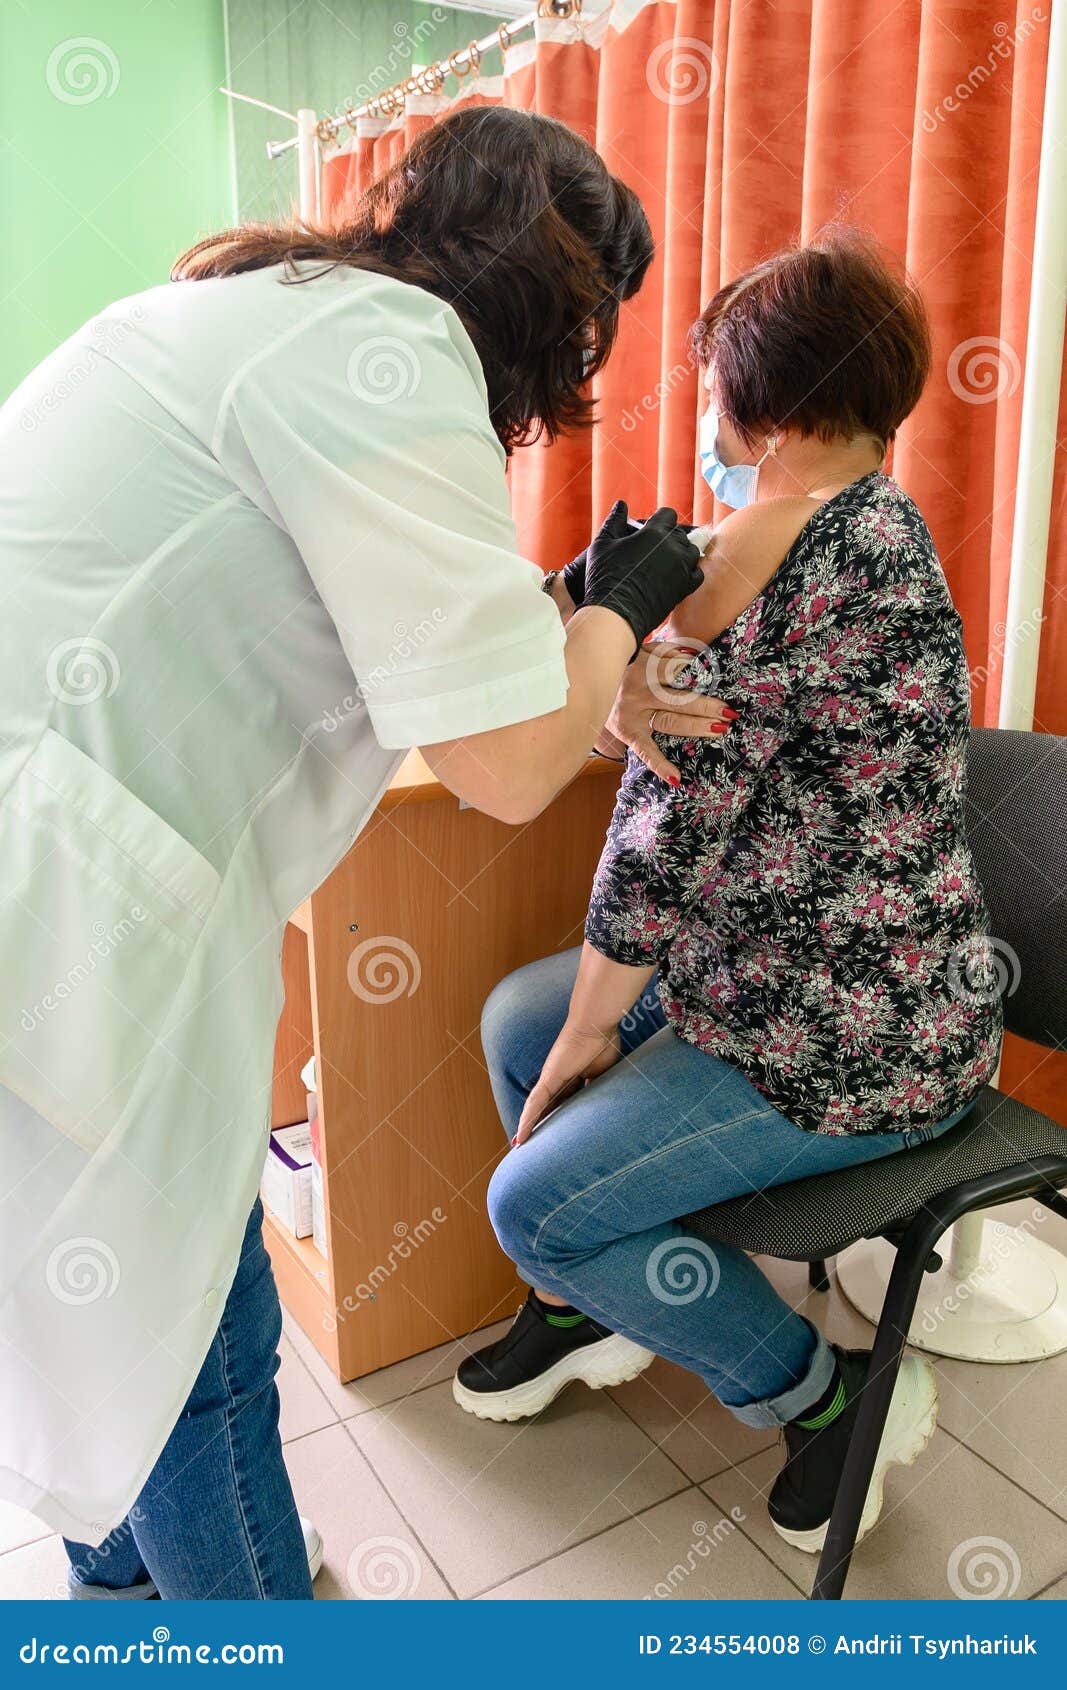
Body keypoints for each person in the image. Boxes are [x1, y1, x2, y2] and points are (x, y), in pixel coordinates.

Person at [0, 108, 720, 1599]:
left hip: (52, 839)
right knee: (197, 1321)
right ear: (558, 313)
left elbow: (369, 588)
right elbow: (512, 766)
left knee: (93, 1288)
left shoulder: (263, 310)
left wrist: (562, 627)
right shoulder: (392, 359)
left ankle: (124, 1577)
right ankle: (238, 1610)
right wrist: (615, 608)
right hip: (55, 878)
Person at [455, 228, 1004, 1555]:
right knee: (517, 1025)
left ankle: (828, 1395)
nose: (705, 412)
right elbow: (666, 711)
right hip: (779, 969)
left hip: (863, 1032)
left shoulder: (814, 567)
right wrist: (620, 660)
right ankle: (594, 1305)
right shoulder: (838, 522)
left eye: (717, 385)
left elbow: (659, 840)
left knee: (533, 1188)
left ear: (784, 409)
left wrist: (595, 1041)